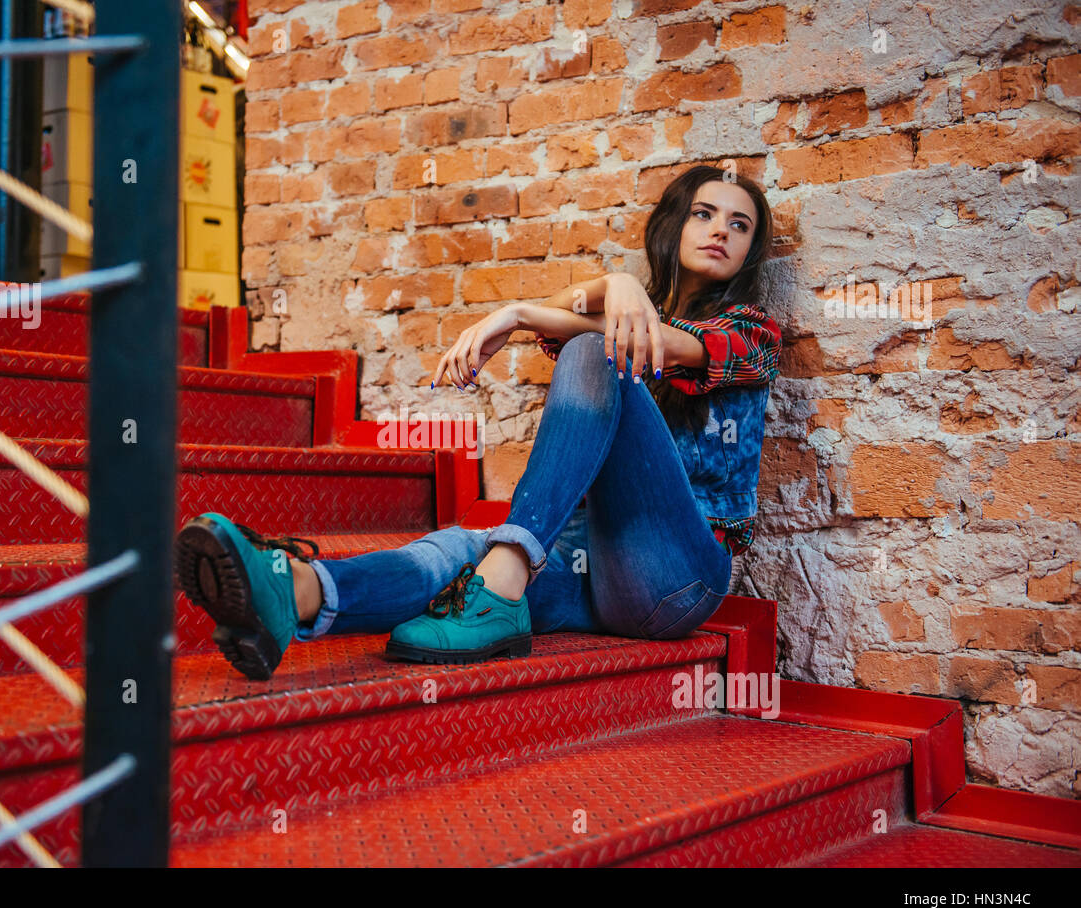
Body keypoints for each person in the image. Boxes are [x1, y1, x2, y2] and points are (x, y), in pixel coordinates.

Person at [174, 164, 783, 680]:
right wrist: (613, 283)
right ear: (673, 225)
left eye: (739, 225)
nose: (720, 232)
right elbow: (567, 311)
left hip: (679, 580)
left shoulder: (755, 335)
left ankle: (504, 571)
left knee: (593, 352)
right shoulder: (627, 307)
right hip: (588, 569)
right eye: (704, 214)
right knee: (456, 551)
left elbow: (658, 346)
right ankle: (297, 592)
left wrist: (520, 312)